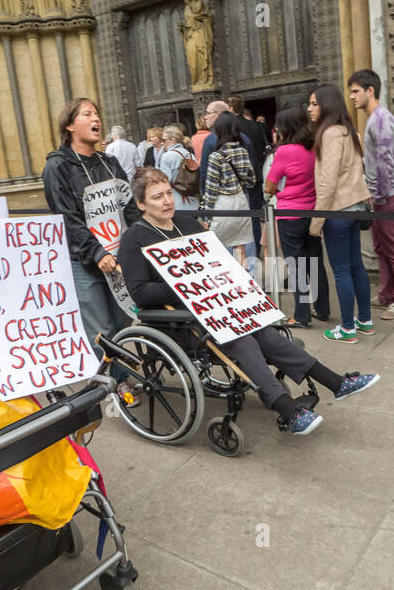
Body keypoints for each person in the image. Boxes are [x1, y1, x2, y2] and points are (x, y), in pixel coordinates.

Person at [117, 167, 378, 435]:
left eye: (169, 193)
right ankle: (288, 410)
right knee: (242, 339)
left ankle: (336, 383)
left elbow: (218, 263)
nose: (168, 201)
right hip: (180, 323)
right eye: (157, 196)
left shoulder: (187, 223)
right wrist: (188, 286)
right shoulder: (134, 239)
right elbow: (140, 294)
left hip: (220, 307)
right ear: (141, 204)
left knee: (267, 334)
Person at [42, 98, 140, 345]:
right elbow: (67, 217)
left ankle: (119, 378)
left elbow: (129, 208)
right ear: (70, 125)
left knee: (124, 322)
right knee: (102, 330)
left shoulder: (109, 162)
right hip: (85, 261)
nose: (96, 119)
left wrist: (143, 240)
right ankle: (113, 383)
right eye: (87, 114)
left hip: (118, 257)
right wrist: (97, 253)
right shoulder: (58, 165)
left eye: (97, 114)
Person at [307, 83, 373, 343]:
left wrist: (316, 223)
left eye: (314, 103)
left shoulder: (331, 133)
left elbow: (328, 182)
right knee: (356, 266)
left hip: (337, 210)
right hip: (355, 208)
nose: (310, 108)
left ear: (327, 104)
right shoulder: (350, 132)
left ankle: (347, 328)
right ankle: (364, 320)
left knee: (342, 270)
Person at [349, 69, 394, 320]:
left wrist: (379, 196)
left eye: (356, 91)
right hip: (379, 195)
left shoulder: (381, 119)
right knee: (380, 246)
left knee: (393, 247)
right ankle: (387, 293)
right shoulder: (375, 118)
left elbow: (386, 162)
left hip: (386, 196)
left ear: (370, 90)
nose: (352, 97)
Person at [263, 105, 330, 327]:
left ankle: (301, 315)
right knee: (315, 261)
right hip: (313, 210)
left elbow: (269, 186)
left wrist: (280, 190)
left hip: (290, 213)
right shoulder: (314, 147)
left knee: (296, 264)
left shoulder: (284, 151)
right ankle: (322, 308)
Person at [202, 112, 256, 263]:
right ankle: (243, 283)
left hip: (222, 205)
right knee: (240, 250)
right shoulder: (243, 152)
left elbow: (211, 189)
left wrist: (207, 216)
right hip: (240, 202)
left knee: (217, 252)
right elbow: (252, 181)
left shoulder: (216, 156)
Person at [229, 95, 272, 256]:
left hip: (239, 178)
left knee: (240, 216)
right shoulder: (255, 126)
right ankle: (256, 249)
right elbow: (263, 147)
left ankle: (243, 254)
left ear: (231, 108)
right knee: (254, 214)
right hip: (256, 174)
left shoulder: (231, 127)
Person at [157, 124, 199, 210]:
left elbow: (165, 181)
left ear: (172, 140)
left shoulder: (167, 156)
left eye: (164, 140)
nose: (162, 143)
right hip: (193, 201)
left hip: (177, 202)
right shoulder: (189, 154)